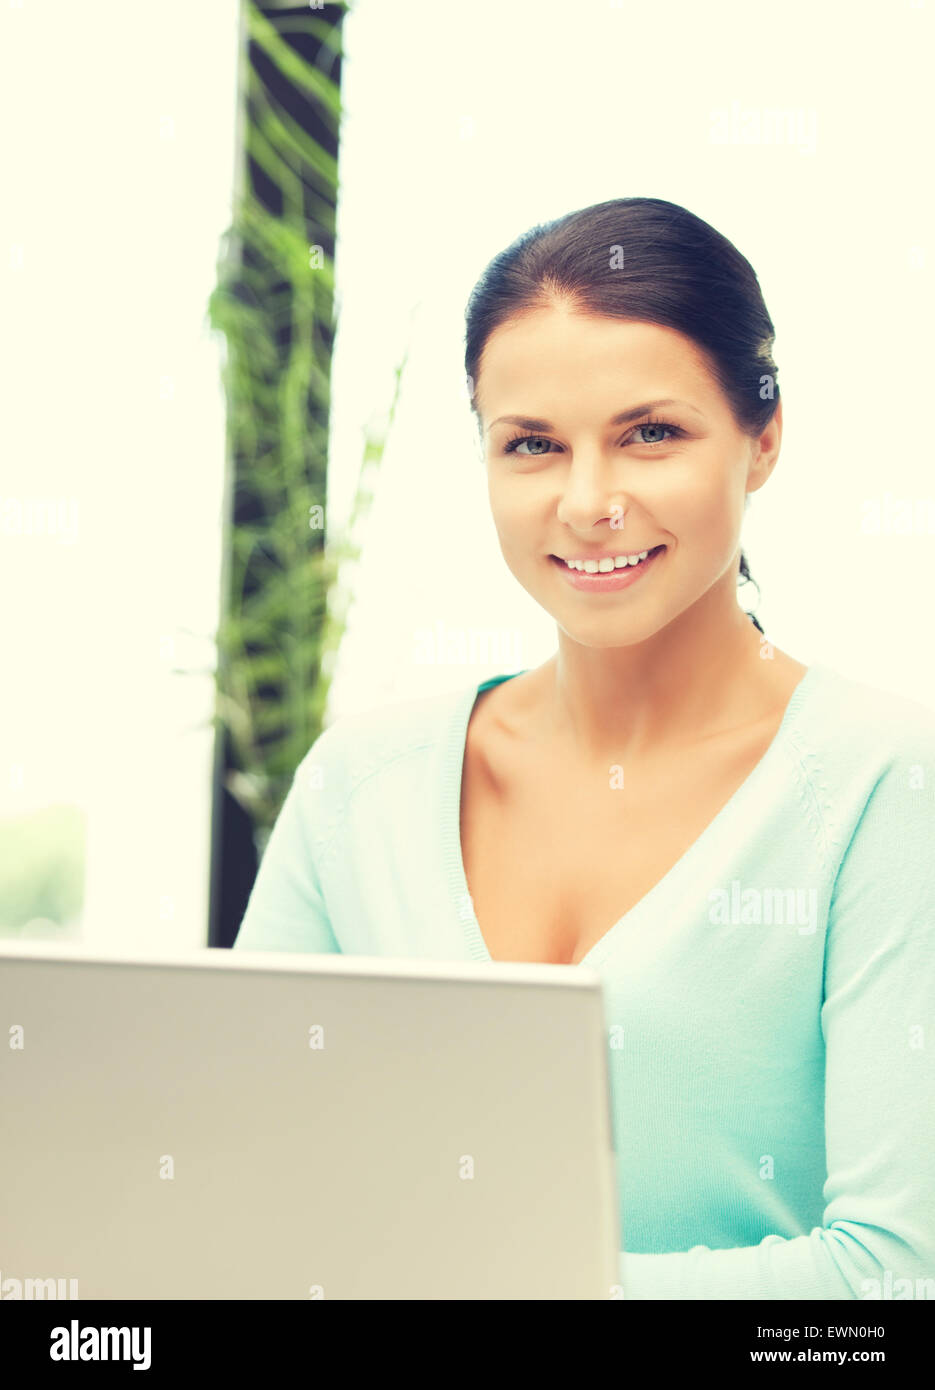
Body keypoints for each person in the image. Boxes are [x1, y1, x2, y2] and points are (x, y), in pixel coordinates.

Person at [234, 196, 935, 1300]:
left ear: (762, 439)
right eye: (531, 445)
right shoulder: (357, 787)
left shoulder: (883, 787)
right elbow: (237, 1181)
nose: (587, 501)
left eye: (649, 432)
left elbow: (893, 1283)